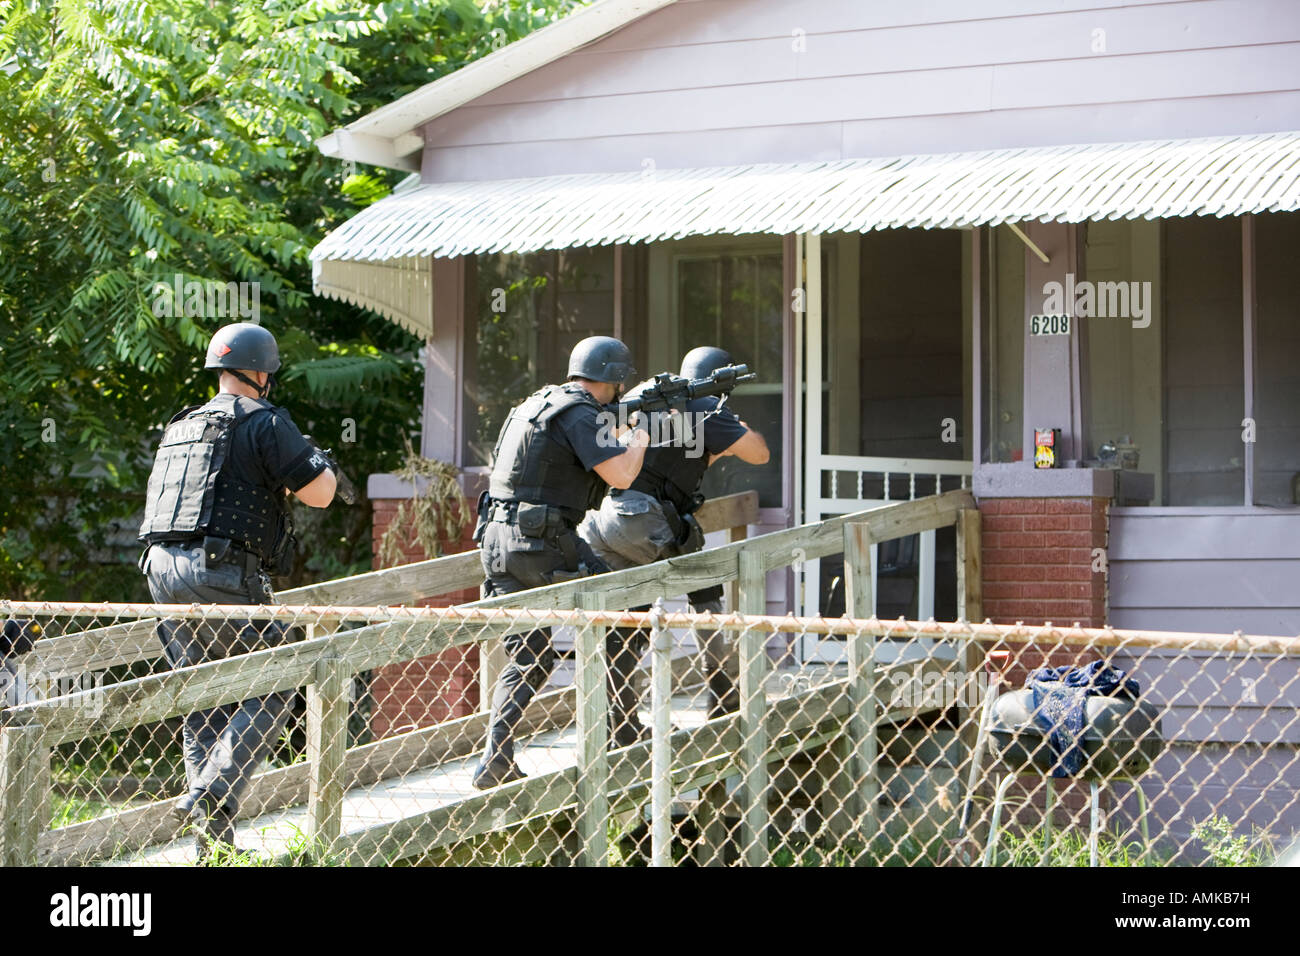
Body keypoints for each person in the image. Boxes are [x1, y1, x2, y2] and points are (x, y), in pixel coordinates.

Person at [137, 322, 338, 860]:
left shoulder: (182, 424)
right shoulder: (264, 422)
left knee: (206, 703)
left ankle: (212, 845)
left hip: (160, 573)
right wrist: (322, 459)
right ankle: (209, 789)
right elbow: (320, 494)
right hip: (219, 575)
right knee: (277, 683)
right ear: (261, 373)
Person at [472, 335, 650, 790]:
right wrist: (641, 433)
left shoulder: (535, 404)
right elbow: (622, 475)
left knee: (530, 654)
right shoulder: (579, 412)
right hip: (541, 542)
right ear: (611, 379)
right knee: (631, 611)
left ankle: (496, 758)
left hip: (497, 542)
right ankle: (621, 728)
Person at [579, 346, 770, 736]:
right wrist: (737, 426)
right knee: (704, 586)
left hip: (601, 520)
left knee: (628, 617)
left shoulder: (647, 398)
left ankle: (622, 723)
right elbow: (760, 454)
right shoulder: (707, 409)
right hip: (639, 519)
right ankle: (723, 693)